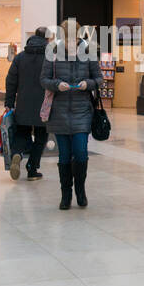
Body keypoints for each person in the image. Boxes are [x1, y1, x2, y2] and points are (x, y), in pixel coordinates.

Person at [42, 22, 101, 210]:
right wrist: (56, 84)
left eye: (74, 39)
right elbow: (43, 79)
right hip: (59, 111)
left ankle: (80, 191)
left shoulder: (89, 52)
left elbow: (99, 79)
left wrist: (88, 84)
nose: (71, 43)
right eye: (67, 39)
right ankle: (65, 194)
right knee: (64, 157)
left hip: (82, 111)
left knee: (81, 153)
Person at [4, 26, 49, 181]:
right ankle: (32, 168)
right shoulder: (50, 58)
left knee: (22, 133)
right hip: (44, 107)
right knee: (41, 137)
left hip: (23, 104)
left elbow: (10, 81)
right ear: (47, 39)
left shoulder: (20, 57)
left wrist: (9, 102)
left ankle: (17, 153)